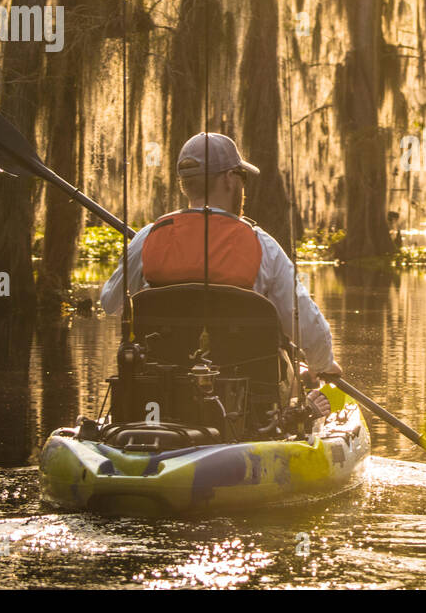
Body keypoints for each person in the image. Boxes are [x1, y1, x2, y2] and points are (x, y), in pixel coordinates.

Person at [101, 132, 340, 415]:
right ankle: (300, 410)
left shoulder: (147, 238)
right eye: (242, 177)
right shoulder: (262, 245)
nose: (243, 186)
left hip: (159, 400)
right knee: (297, 369)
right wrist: (324, 365)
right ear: (229, 178)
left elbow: (110, 303)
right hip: (247, 408)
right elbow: (308, 327)